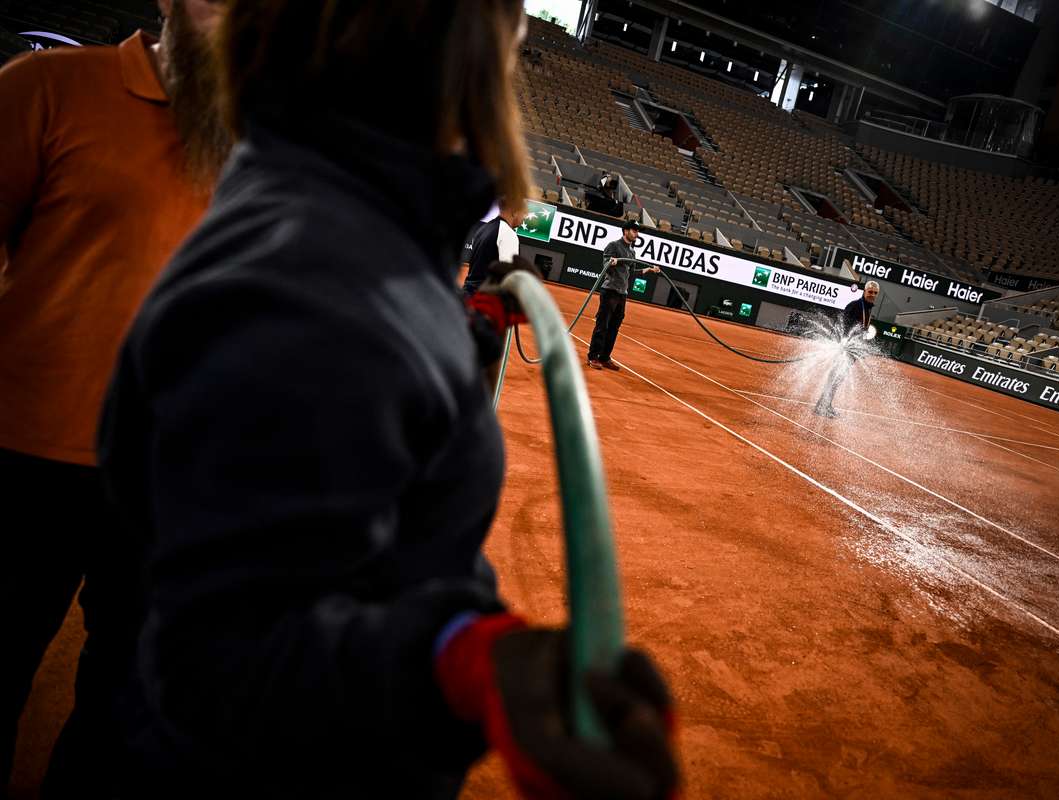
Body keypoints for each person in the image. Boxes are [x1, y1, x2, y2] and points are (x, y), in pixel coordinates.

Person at [93, 2, 679, 798]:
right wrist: (459, 660)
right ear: (451, 49)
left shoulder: (334, 213)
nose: (513, 60)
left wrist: (463, 330)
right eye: (508, 38)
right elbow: (221, 662)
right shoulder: (317, 275)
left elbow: (363, 411)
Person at [0, 0, 230, 791]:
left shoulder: (287, 152)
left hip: (175, 485)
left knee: (126, 718)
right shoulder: (50, 87)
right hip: (23, 462)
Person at [586, 220, 660, 370]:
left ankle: (604, 357)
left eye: (637, 231)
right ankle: (593, 357)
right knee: (602, 325)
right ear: (626, 231)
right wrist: (611, 262)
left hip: (622, 294)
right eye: (634, 230)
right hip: (610, 292)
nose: (636, 234)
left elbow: (631, 273)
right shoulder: (613, 246)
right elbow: (606, 265)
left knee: (614, 327)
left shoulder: (632, 252)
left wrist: (648, 270)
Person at [814, 280, 880, 418]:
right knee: (834, 377)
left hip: (851, 350)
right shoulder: (855, 305)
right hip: (844, 348)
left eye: (875, 293)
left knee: (838, 379)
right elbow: (843, 325)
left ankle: (826, 404)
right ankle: (821, 406)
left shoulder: (867, 308)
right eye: (870, 292)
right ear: (864, 291)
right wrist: (844, 344)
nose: (872, 295)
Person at [462, 201, 524, 296]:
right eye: (524, 212)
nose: (525, 217)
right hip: (484, 299)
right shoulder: (507, 233)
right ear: (514, 211)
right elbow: (509, 277)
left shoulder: (483, 229)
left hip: (467, 296)